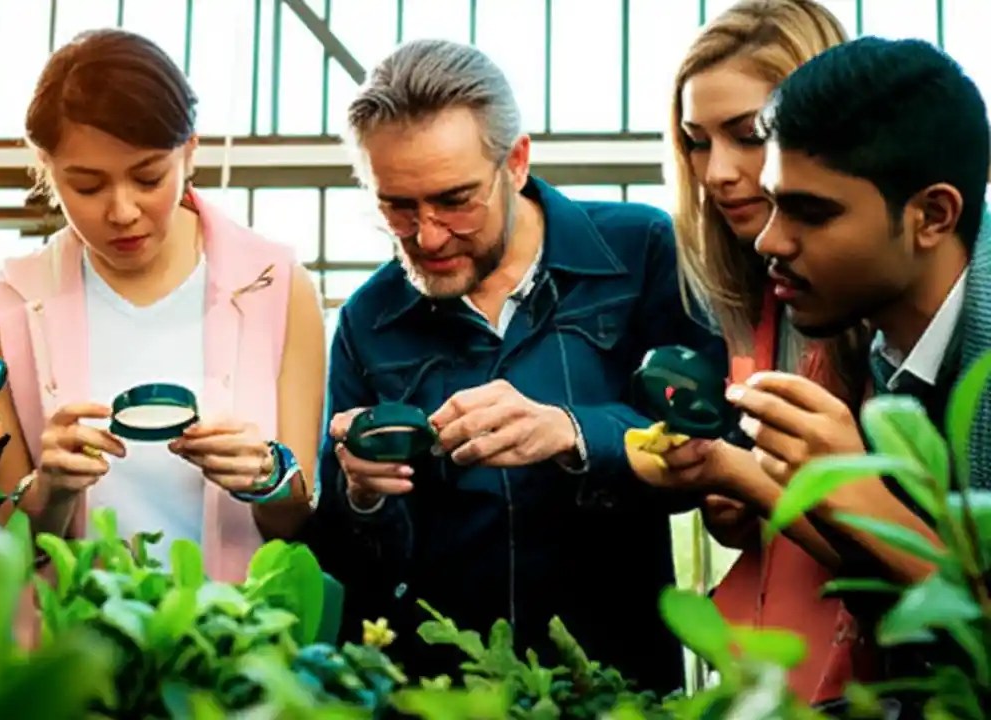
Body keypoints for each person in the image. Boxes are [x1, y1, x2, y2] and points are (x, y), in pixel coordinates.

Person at [303, 38, 726, 693]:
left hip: (617, 687)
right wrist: (360, 496)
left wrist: (575, 431)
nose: (429, 236)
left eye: (454, 199)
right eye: (398, 208)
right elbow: (347, 561)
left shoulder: (642, 253)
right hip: (442, 695)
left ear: (517, 162)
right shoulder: (366, 322)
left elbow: (715, 447)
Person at [0, 29, 326, 579]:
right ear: (45, 166)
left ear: (190, 153)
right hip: (71, 646)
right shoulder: (10, 309)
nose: (122, 211)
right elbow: (9, 545)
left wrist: (265, 476)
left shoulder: (276, 286)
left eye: (148, 177)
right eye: (87, 186)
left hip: (232, 642)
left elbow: (294, 524)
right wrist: (51, 489)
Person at [646, 0, 873, 703]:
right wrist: (738, 510)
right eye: (695, 140)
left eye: (747, 135)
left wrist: (745, 476)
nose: (716, 172)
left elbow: (900, 551)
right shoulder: (753, 305)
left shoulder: (888, 308)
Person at [727, 35, 991, 578]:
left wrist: (858, 496)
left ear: (933, 215)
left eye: (812, 212)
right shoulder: (887, 343)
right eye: (775, 203)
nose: (769, 242)